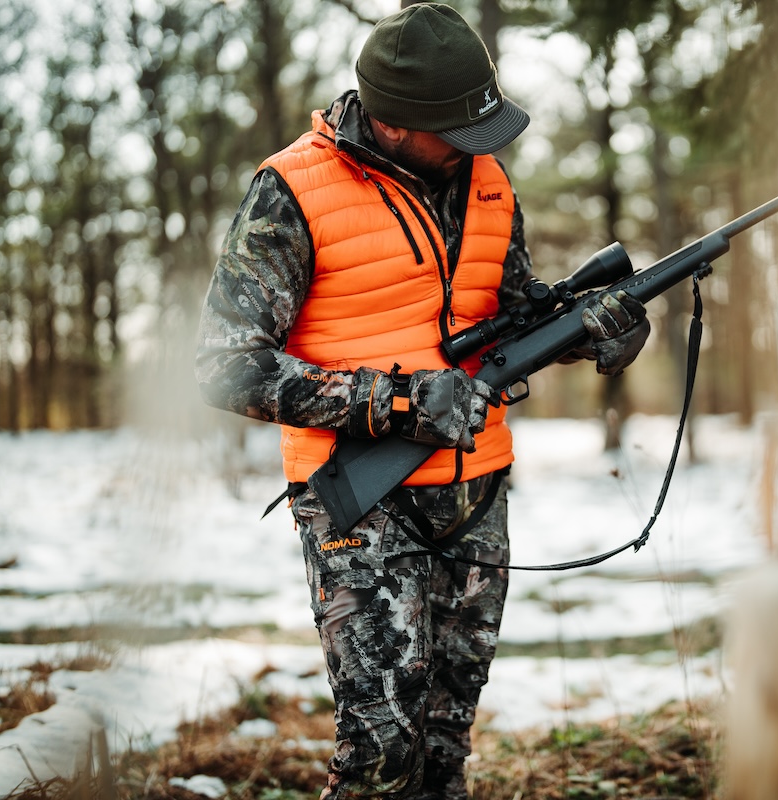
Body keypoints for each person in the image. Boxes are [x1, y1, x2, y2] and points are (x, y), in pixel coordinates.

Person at [194, 4, 650, 799]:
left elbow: (512, 311)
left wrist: (592, 332)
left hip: (477, 494)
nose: (481, 148)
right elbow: (225, 367)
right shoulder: (291, 191)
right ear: (395, 122)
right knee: (380, 758)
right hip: (359, 500)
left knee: (443, 750)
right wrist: (398, 403)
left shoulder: (488, 183)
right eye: (459, 131)